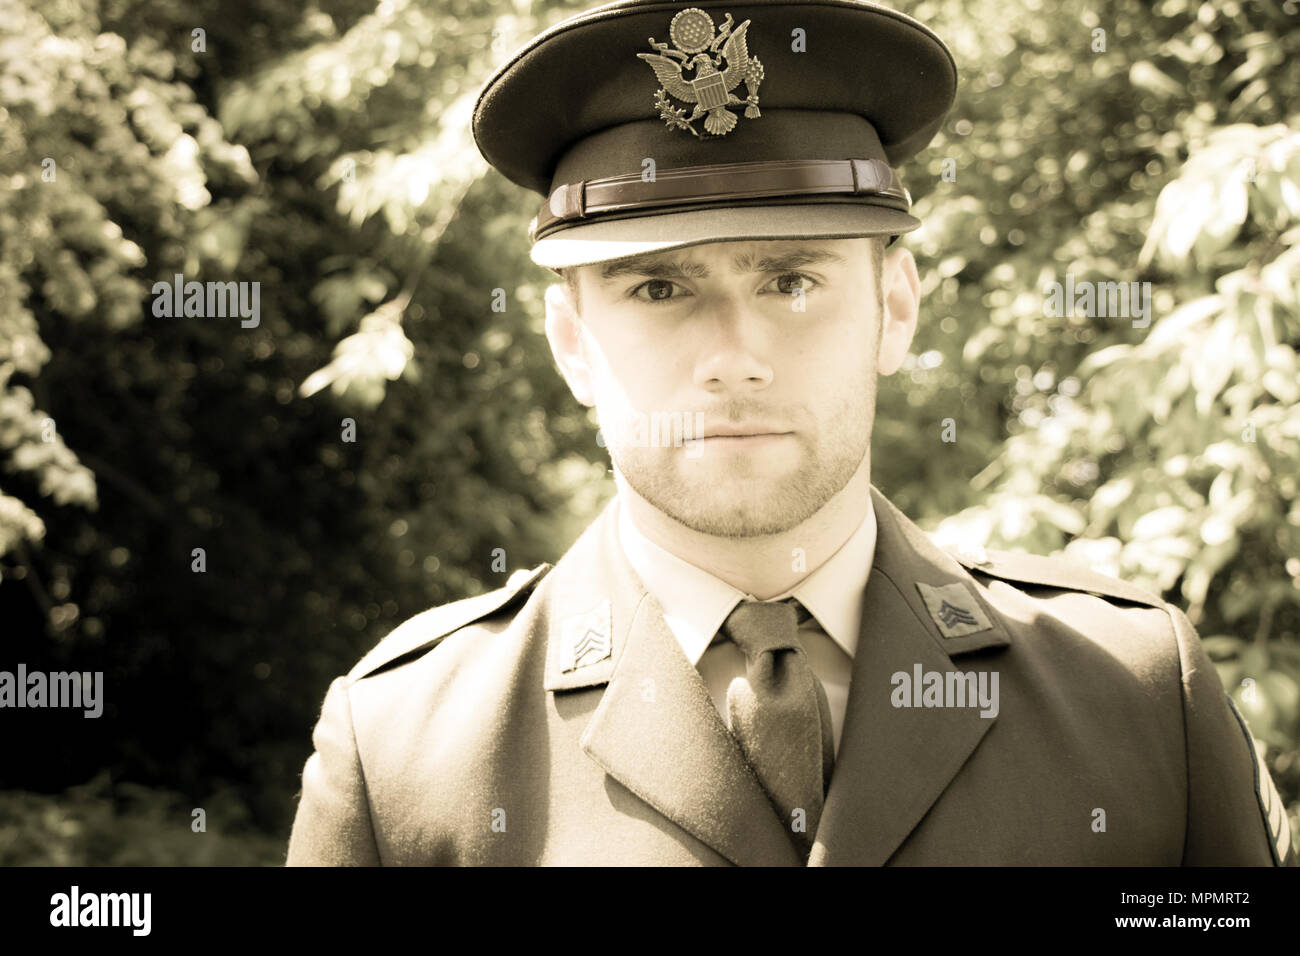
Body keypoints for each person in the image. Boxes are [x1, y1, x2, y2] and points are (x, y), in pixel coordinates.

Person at [286, 0, 1294, 866]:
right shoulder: (409, 750)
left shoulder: (1132, 694)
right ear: (572, 341)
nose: (735, 354)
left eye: (791, 278)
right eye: (659, 284)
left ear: (895, 307)